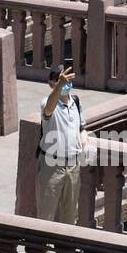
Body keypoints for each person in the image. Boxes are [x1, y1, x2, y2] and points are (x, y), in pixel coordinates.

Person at [36, 63, 88, 224]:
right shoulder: (48, 102)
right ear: (51, 83)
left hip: (73, 165)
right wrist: (59, 86)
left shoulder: (76, 102)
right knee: (46, 213)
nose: (66, 84)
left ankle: (64, 249)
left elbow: (82, 128)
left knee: (70, 214)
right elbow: (49, 110)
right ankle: (42, 249)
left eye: (67, 80)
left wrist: (84, 143)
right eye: (59, 80)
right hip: (52, 165)